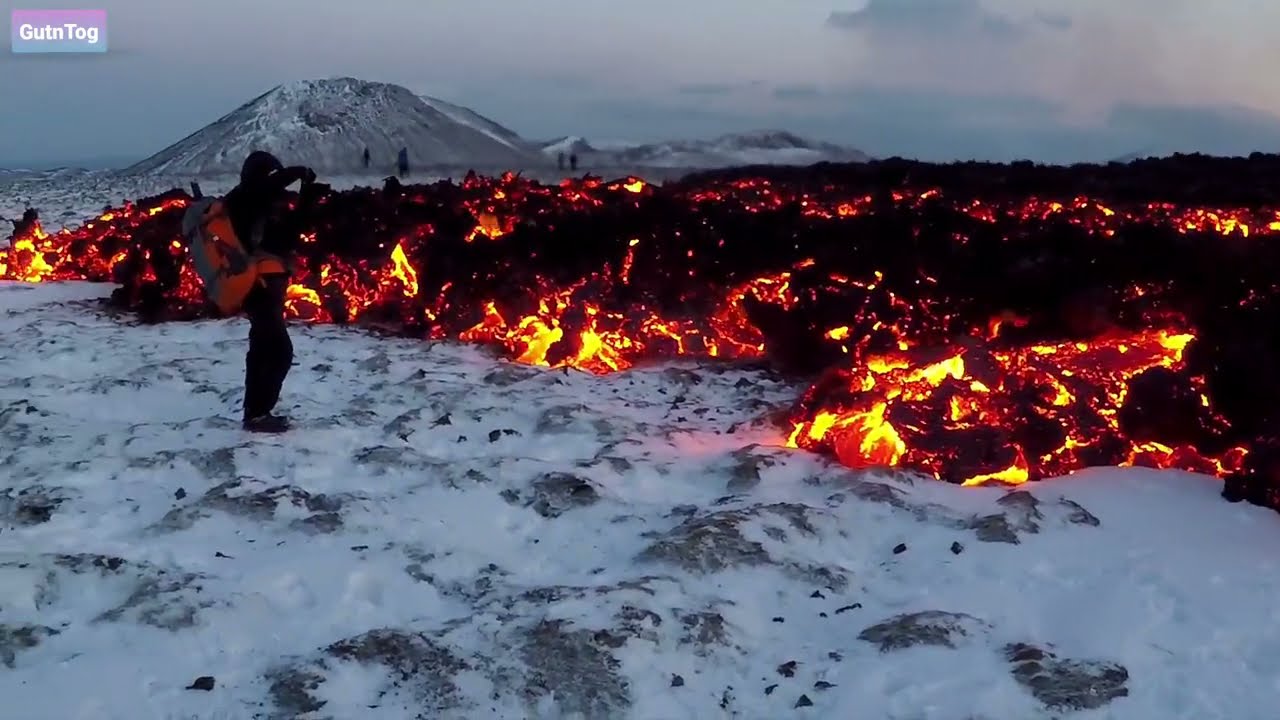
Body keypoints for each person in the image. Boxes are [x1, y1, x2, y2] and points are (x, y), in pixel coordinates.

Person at [222, 150, 317, 433]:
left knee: (261, 349)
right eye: (271, 175)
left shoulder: (250, 203)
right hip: (258, 288)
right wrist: (297, 170)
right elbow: (263, 189)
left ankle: (255, 411)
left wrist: (307, 198)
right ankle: (258, 414)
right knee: (279, 351)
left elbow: (287, 236)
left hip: (264, 287)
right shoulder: (244, 199)